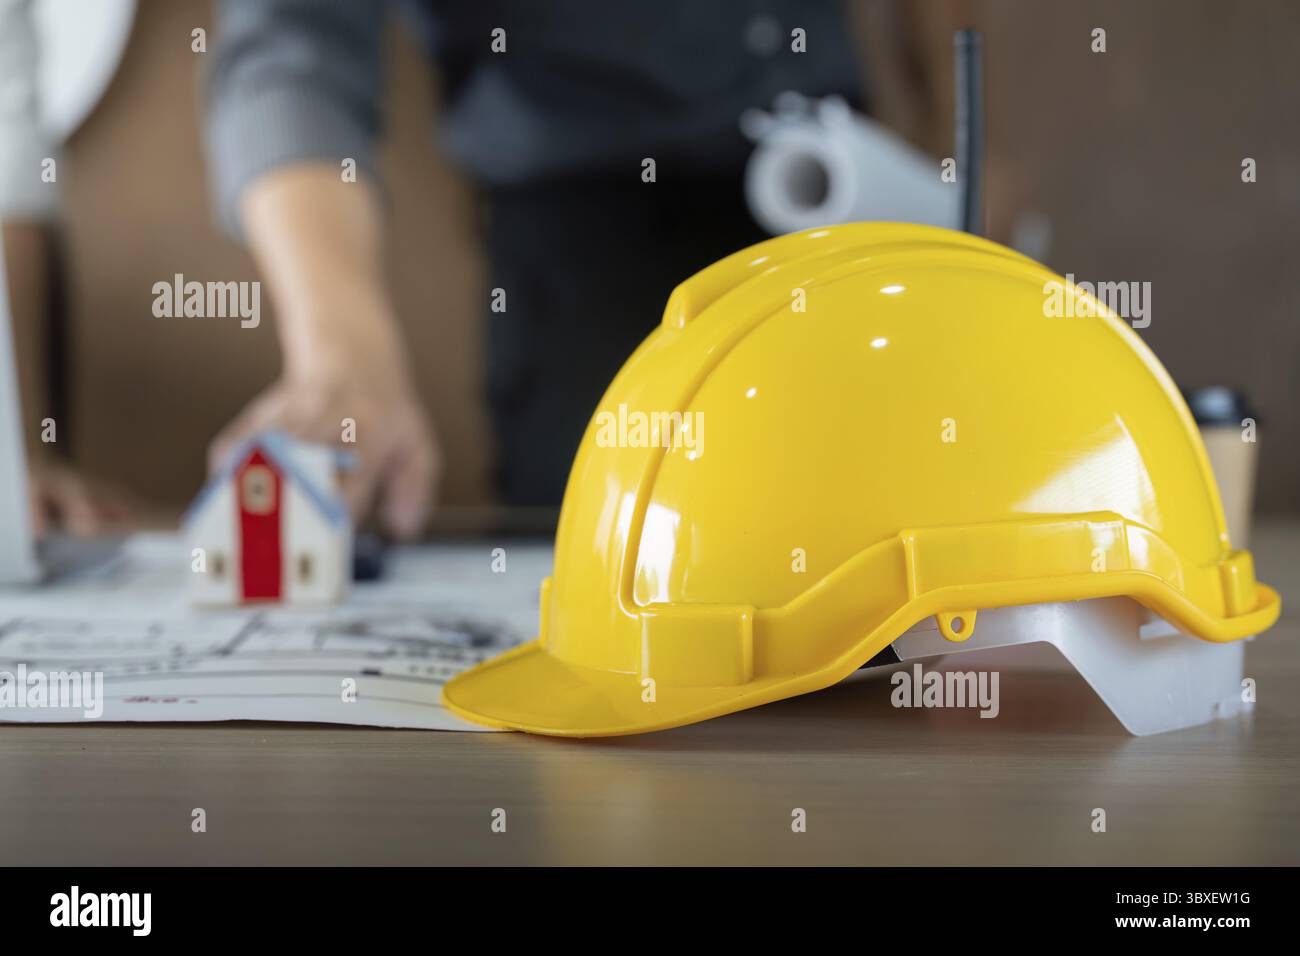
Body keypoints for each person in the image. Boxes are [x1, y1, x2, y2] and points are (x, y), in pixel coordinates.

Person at [201, 0, 867, 537]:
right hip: (588, 224)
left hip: (861, 191)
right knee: (625, 547)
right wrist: (344, 355)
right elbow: (291, 55)